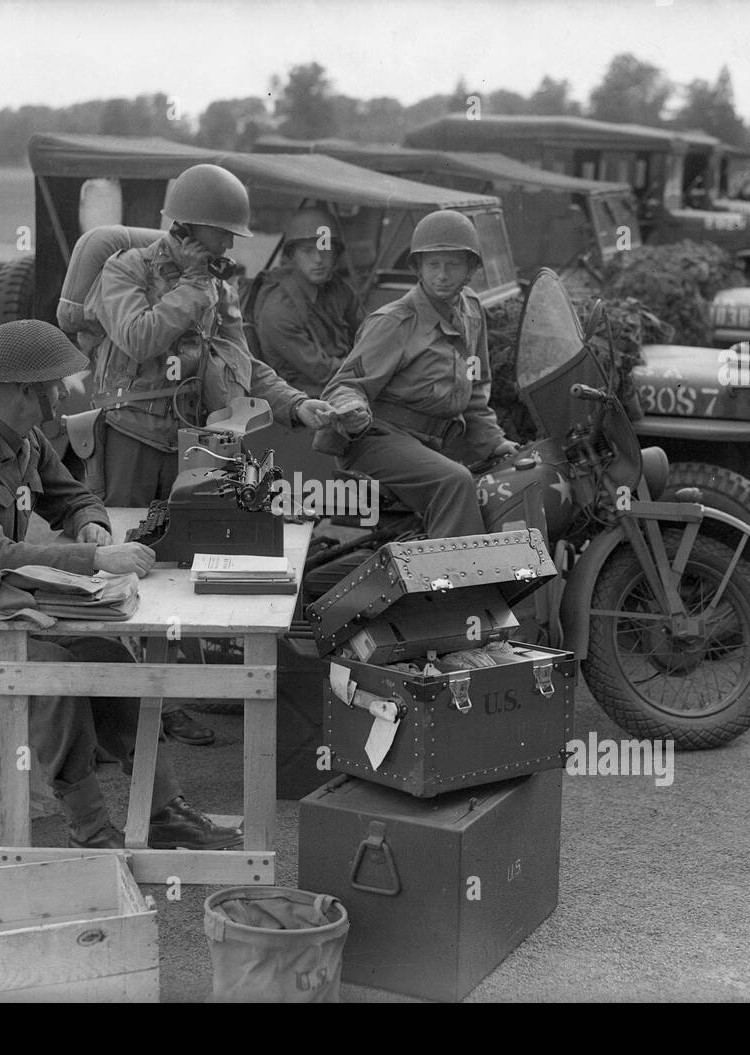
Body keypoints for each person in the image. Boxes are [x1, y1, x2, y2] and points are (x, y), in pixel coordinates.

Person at [0, 319, 241, 851]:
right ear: (22, 392)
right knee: (54, 678)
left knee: (112, 661)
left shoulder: (21, 441)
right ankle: (92, 832)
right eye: (51, 387)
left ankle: (166, 811)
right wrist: (98, 554)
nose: (60, 396)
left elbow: (73, 496)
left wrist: (89, 522)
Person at [87, 164, 334, 745]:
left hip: (189, 448)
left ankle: (162, 702)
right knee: (122, 568)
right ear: (192, 227)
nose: (230, 246)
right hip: (127, 438)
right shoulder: (125, 269)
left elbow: (244, 367)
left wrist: (298, 405)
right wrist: (193, 290)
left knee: (175, 571)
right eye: (225, 234)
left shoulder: (219, 287)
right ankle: (111, 712)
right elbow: (139, 337)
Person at [316, 210, 518, 539]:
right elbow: (345, 385)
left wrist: (493, 442)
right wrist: (351, 409)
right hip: (378, 440)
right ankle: (452, 582)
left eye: (452, 265)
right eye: (432, 265)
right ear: (418, 269)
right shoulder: (395, 321)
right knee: (454, 482)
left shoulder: (472, 312)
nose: (441, 275)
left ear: (470, 269)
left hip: (435, 442)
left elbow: (475, 390)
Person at [253, 206, 365, 397]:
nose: (318, 259)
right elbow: (321, 371)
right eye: (307, 251)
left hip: (345, 381)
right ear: (292, 256)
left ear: (336, 254)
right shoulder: (279, 309)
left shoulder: (338, 290)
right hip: (302, 398)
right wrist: (372, 367)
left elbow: (368, 333)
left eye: (325, 249)